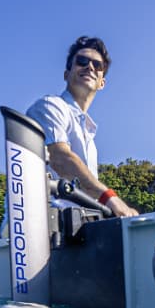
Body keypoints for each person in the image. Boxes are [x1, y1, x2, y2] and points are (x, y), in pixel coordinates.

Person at [26, 36, 138, 217]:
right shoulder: (50, 105)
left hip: (78, 228)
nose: (90, 67)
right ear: (66, 74)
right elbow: (60, 158)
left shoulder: (89, 135)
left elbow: (87, 189)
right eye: (82, 61)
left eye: (97, 65)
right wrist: (110, 197)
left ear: (102, 83)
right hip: (40, 225)